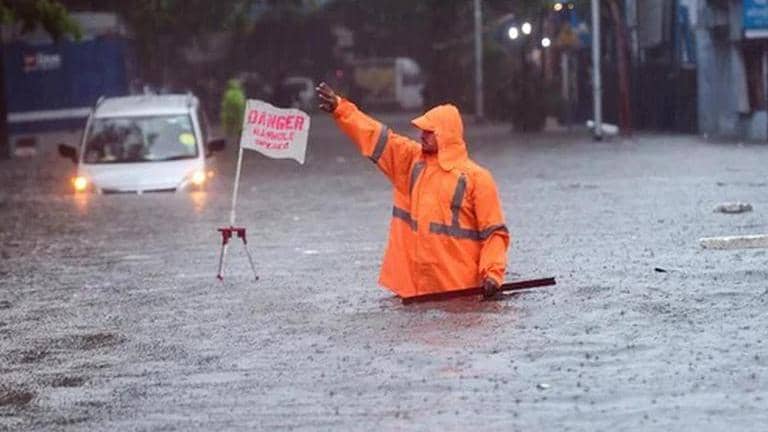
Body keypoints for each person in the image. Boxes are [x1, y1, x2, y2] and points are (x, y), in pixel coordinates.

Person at [316, 82, 510, 300]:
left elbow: (494, 233)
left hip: (459, 294)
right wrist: (341, 109)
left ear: (446, 135)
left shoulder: (478, 178)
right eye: (423, 131)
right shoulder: (411, 161)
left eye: (429, 132)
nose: (422, 135)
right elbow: (376, 137)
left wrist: (492, 275)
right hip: (415, 292)